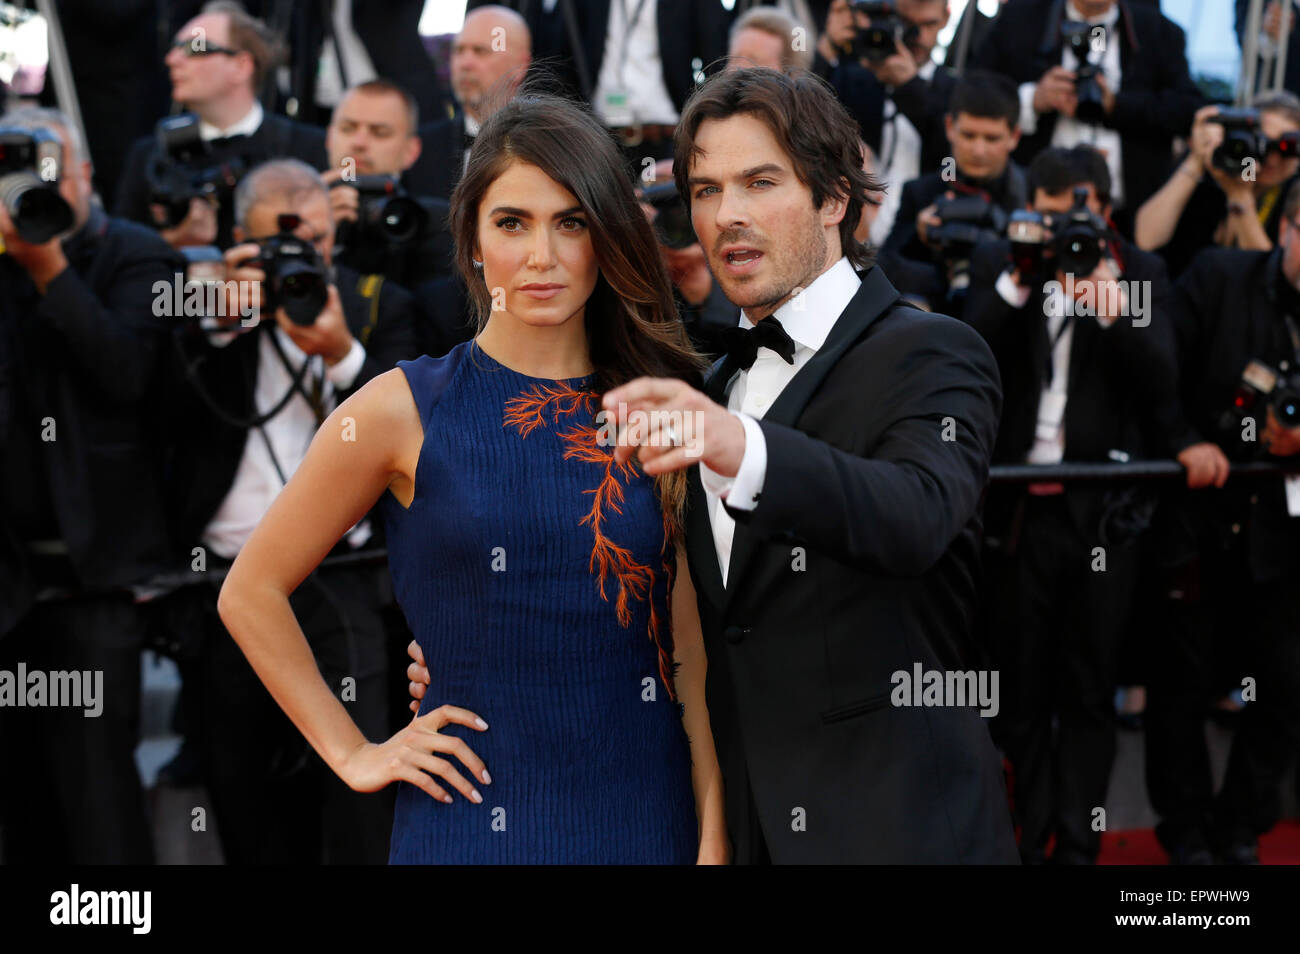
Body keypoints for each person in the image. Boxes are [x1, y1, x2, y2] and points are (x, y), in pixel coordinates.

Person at [217, 91, 729, 864]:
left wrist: (713, 834)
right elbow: (249, 591)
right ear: (475, 239)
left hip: (643, 814)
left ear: (607, 237)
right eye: (512, 223)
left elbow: (685, 653)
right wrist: (358, 753)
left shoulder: (656, 401)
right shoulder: (402, 409)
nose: (542, 257)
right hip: (471, 819)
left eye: (572, 222)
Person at [600, 67, 1017, 862]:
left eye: (761, 182)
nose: (728, 216)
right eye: (706, 189)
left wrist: (741, 448)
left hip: (903, 829)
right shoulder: (716, 384)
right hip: (749, 828)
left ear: (834, 198)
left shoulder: (932, 350)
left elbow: (915, 515)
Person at [959, 144, 1215, 863]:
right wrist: (1019, 278)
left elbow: (1166, 383)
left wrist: (1114, 310)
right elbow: (964, 350)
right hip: (1014, 512)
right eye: (1044, 218)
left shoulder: (1143, 272)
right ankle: (1026, 832)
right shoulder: (1001, 262)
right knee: (1019, 692)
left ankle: (1077, 846)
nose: (1060, 233)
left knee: (1090, 687)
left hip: (1102, 516)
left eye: (1074, 217)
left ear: (1103, 211)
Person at [163, 158, 418, 864]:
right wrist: (214, 321)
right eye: (268, 248)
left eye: (309, 245)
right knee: (243, 796)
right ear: (236, 245)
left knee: (359, 796)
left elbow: (418, 436)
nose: (292, 264)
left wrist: (341, 356)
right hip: (224, 587)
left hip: (345, 578)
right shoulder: (203, 310)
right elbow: (147, 415)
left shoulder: (375, 305)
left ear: (333, 241)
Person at [0, 107, 182, 864]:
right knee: (21, 801)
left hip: (96, 581)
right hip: (7, 580)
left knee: (100, 800)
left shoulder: (135, 256)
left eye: (46, 171)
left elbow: (126, 374)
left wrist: (50, 270)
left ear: (84, 175)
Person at [1144, 178, 1300, 864]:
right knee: (1181, 685)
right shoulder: (1217, 276)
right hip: (1200, 523)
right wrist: (1189, 439)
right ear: (1290, 225)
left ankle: (1242, 826)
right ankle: (1184, 830)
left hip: (1287, 542)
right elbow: (1156, 368)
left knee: (1284, 686)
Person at [971, 0, 1204, 236]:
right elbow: (974, 92)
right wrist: (1034, 98)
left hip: (1129, 221)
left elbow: (1188, 111)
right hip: (1034, 214)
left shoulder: (1158, 31)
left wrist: (1116, 106)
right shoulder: (1020, 19)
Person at [114, 1, 327, 250]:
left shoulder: (306, 147)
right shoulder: (151, 154)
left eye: (195, 48)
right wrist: (176, 241)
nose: (172, 59)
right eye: (174, 48)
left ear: (241, 66)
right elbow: (119, 252)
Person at [1135, 94, 1300, 279]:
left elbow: (1271, 281)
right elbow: (1145, 239)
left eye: (1287, 147)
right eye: (1262, 142)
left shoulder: (1293, 196)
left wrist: (1239, 196)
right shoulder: (1215, 165)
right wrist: (1196, 159)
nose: (1272, 157)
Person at [404, 5, 532, 202]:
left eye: (480, 51)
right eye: (459, 51)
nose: (465, 63)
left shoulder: (553, 143)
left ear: (520, 66)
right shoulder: (420, 149)